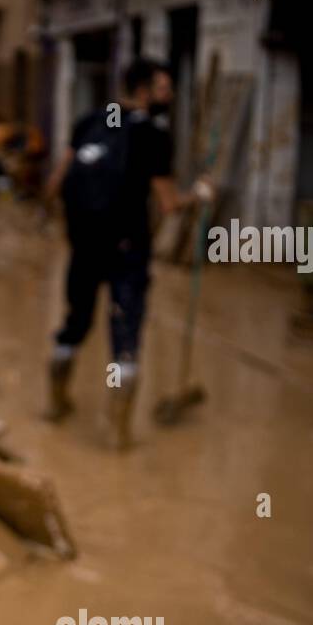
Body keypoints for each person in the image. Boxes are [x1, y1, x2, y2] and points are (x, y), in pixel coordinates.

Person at [43, 58, 212, 447]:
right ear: (143, 91)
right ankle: (117, 432)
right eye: (164, 89)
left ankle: (56, 404)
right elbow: (168, 203)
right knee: (124, 337)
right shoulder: (153, 135)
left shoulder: (89, 121)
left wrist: (65, 228)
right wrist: (198, 195)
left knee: (74, 323)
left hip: (83, 246)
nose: (169, 97)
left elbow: (56, 182)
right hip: (127, 249)